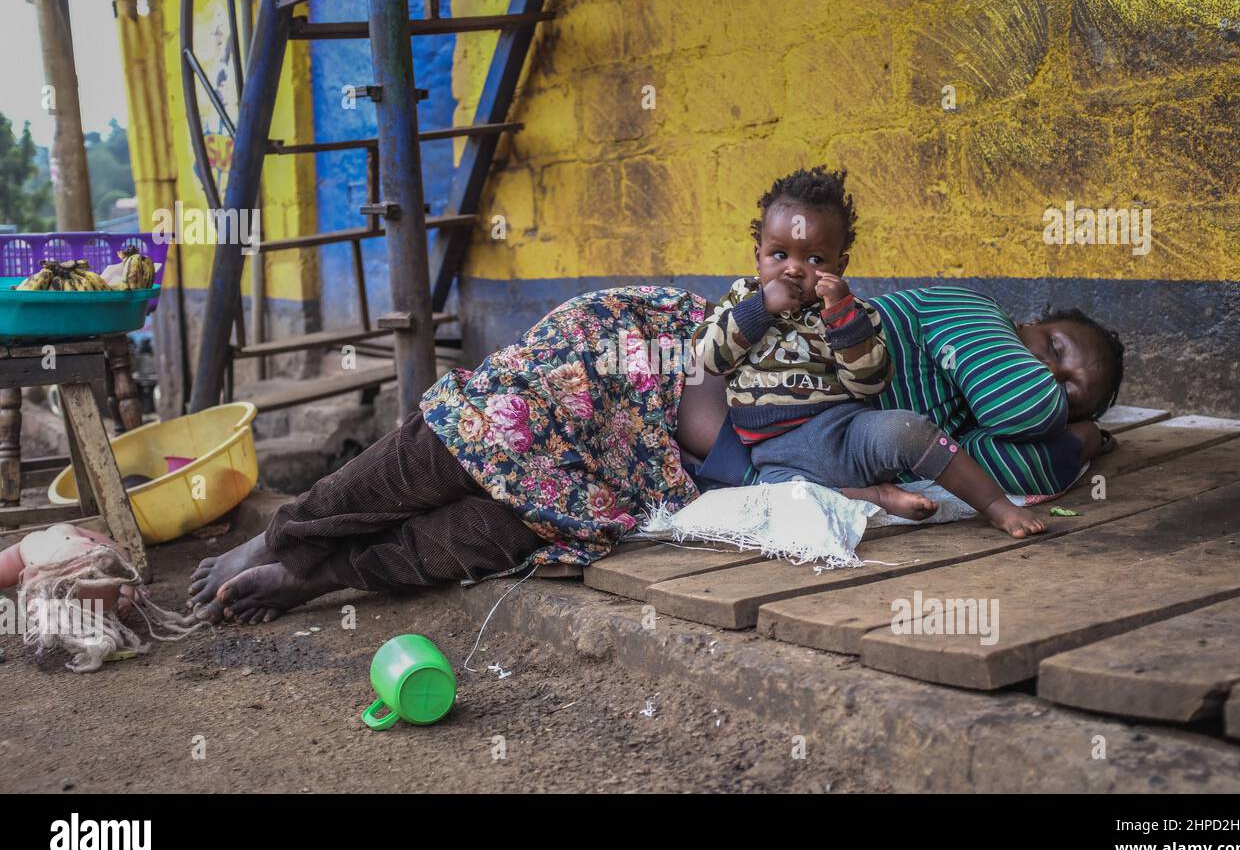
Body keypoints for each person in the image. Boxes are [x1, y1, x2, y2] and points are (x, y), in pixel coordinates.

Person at [189, 202, 1123, 626]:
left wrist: (1084, 437)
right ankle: (297, 530)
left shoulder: (979, 439)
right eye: (1055, 351)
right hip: (653, 360)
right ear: (1025, 325)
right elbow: (1029, 402)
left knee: (529, 517)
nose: (1054, 387)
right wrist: (1073, 413)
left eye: (1079, 389)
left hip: (675, 462)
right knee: (500, 426)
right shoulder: (963, 317)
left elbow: (1029, 456)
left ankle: (326, 572)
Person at [693, 165, 1045, 538]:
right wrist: (760, 308)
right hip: (776, 453)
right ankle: (876, 496)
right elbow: (709, 358)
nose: (794, 270)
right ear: (757, 255)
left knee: (910, 430)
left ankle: (995, 504)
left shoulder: (851, 313)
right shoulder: (741, 301)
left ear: (839, 265)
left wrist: (842, 317)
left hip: (847, 433)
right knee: (781, 503)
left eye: (814, 260)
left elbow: (869, 383)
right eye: (779, 254)